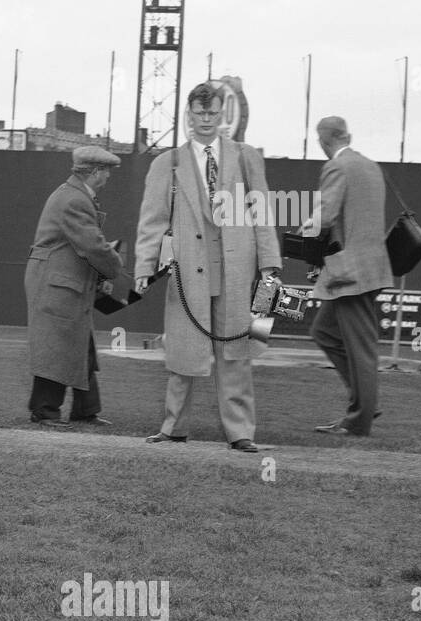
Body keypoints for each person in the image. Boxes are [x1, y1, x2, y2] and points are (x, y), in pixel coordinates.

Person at [133, 83, 282, 452]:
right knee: (183, 353)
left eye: (212, 114)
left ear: (222, 115)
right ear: (188, 115)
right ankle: (173, 427)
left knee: (238, 354)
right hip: (187, 273)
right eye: (199, 114)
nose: (205, 121)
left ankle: (241, 433)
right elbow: (151, 221)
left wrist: (270, 266)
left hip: (237, 272)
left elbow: (262, 214)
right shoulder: (166, 163)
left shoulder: (246, 157)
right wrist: (143, 266)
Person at [305, 116, 393, 437]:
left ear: (323, 141)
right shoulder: (371, 167)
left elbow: (324, 217)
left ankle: (359, 420)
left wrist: (303, 231)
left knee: (360, 348)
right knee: (325, 332)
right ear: (347, 136)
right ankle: (365, 402)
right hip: (370, 268)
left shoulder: (336, 168)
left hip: (349, 274)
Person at [25, 146, 124, 429]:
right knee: (55, 344)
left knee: (80, 343)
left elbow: (87, 245)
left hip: (62, 279)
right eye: (106, 172)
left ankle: (86, 410)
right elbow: (92, 245)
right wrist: (116, 268)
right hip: (56, 281)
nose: (108, 177)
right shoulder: (74, 200)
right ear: (94, 173)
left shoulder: (72, 195)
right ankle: (44, 411)